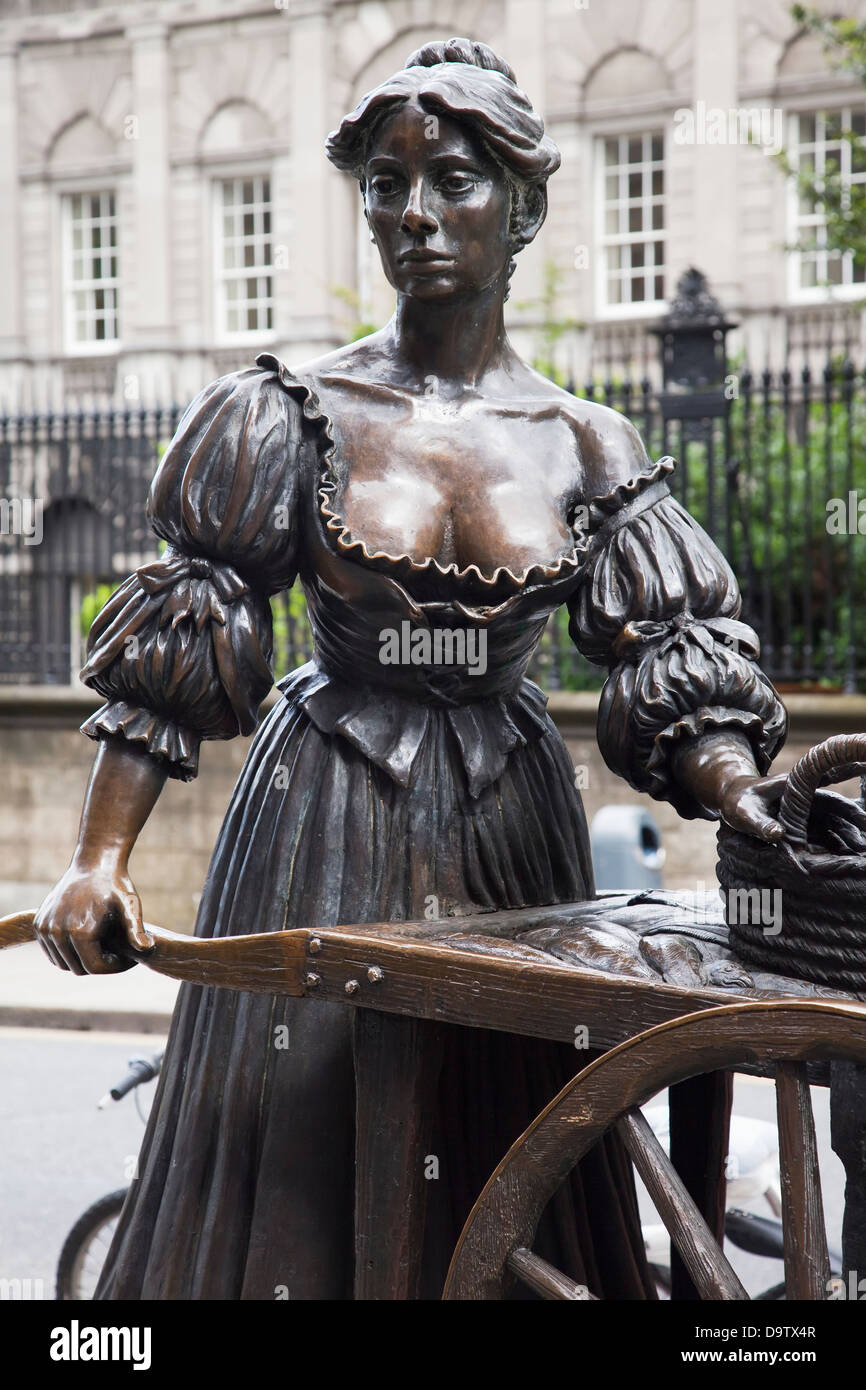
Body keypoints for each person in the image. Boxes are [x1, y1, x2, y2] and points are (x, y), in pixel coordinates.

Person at [34, 37, 787, 1299]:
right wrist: (97, 858)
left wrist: (733, 787)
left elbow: (668, 656)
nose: (416, 215)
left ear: (527, 205)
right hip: (325, 814)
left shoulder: (584, 442)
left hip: (511, 830)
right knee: (299, 1152)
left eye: (453, 178)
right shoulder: (286, 406)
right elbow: (184, 635)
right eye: (385, 186)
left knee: (514, 1137)